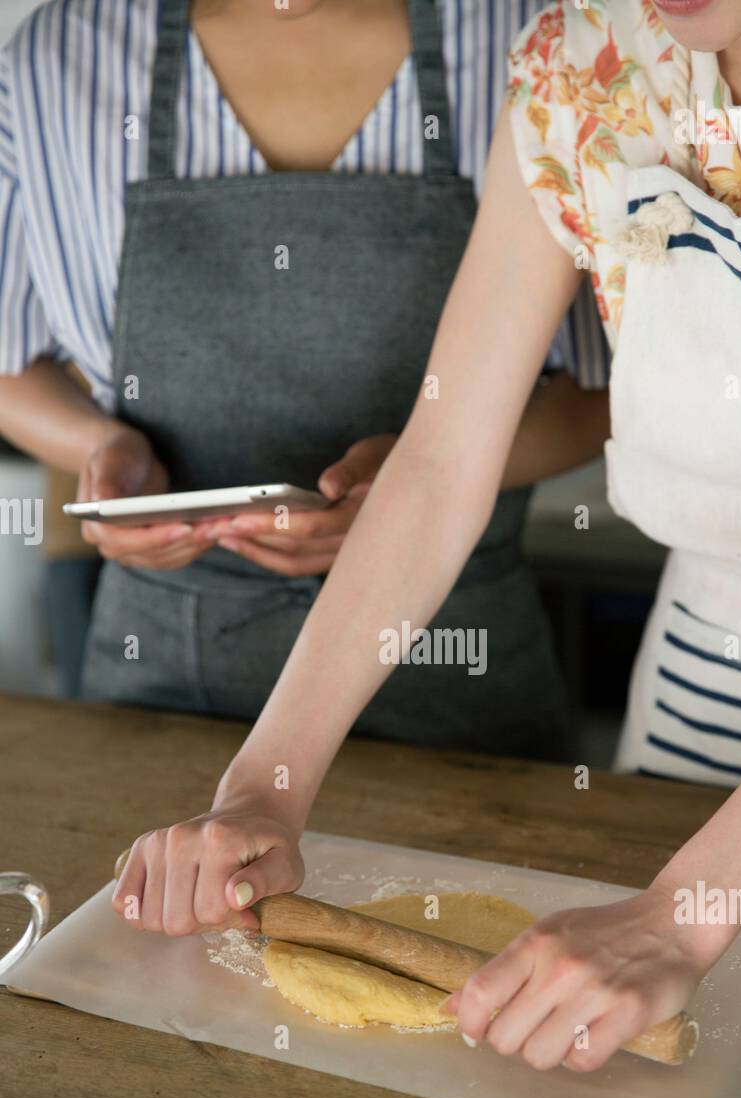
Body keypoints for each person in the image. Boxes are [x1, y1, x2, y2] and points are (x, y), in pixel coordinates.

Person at [106, 0, 741, 1071]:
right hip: (705, 698)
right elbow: (439, 461)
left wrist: (686, 913)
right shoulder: (582, 66)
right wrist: (262, 790)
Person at [0, 0, 610, 756]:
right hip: (163, 695)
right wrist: (100, 445)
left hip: (463, 690)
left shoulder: (539, 39)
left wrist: (423, 482)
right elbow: (9, 359)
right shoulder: (56, 59)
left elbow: (603, 389)